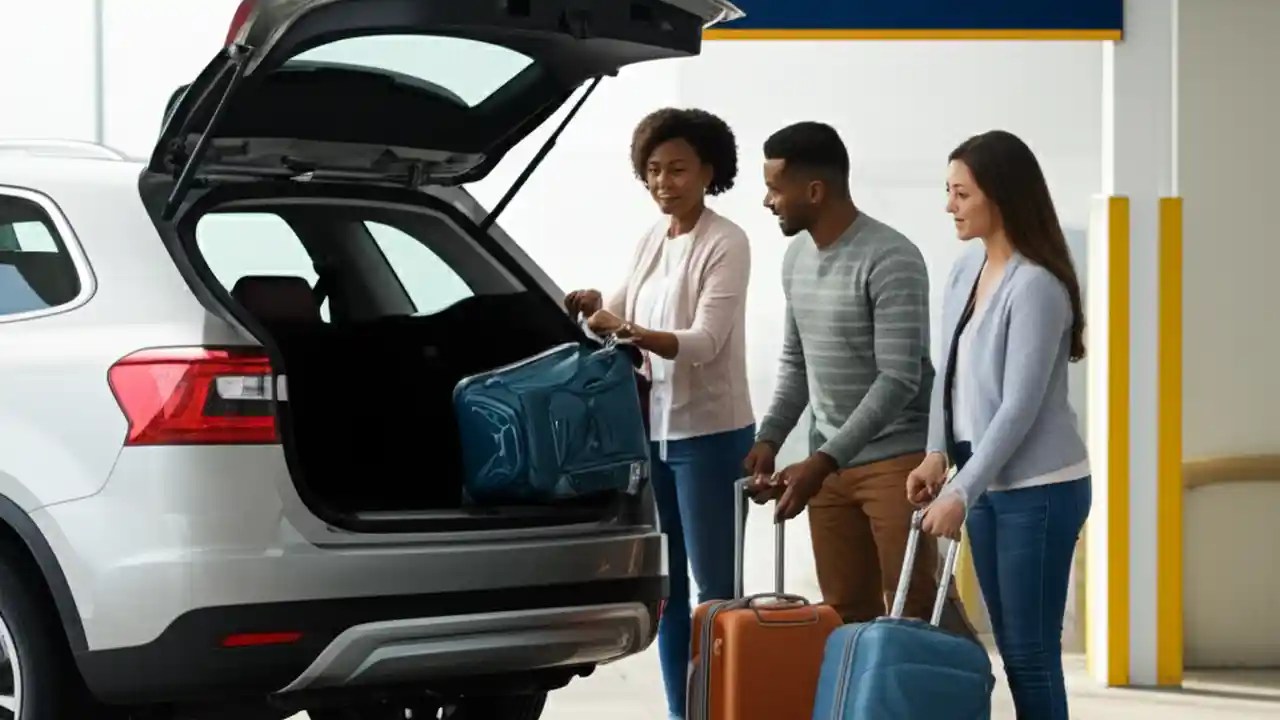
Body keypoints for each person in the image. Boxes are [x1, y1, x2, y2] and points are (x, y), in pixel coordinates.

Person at [743, 121, 973, 635]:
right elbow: (796, 363)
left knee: (917, 607)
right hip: (828, 466)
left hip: (896, 462)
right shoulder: (796, 258)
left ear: (814, 191)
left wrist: (823, 460)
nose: (767, 201)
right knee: (845, 614)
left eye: (775, 188)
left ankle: (966, 681)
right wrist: (770, 437)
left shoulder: (891, 259)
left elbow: (898, 380)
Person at [563, 107, 754, 720]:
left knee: (716, 595)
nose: (662, 183)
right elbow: (615, 315)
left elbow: (705, 342)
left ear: (708, 172)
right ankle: (682, 712)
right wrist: (595, 308)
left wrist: (628, 330)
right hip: (656, 436)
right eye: (652, 170)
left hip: (712, 436)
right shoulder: (652, 238)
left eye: (676, 169)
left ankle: (721, 709)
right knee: (669, 591)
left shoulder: (726, 241)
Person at [908, 129, 1092, 720]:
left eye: (961, 193)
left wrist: (960, 492)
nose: (950, 206)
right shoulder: (965, 268)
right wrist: (937, 453)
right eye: (948, 191)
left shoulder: (1037, 286)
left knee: (1030, 654)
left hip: (1039, 490)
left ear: (1001, 195)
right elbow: (947, 371)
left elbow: (1019, 407)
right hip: (984, 482)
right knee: (1011, 649)